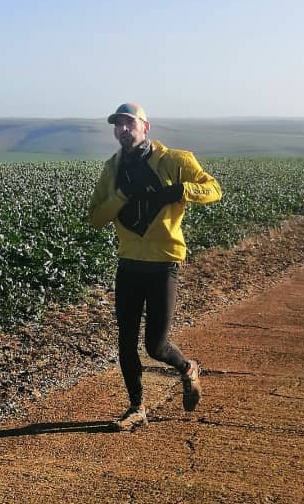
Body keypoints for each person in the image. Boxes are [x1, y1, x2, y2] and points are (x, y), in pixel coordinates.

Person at [88, 102, 223, 430]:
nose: (123, 129)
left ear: (145, 127)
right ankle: (137, 407)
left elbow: (214, 189)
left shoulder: (175, 161)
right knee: (125, 342)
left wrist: (181, 191)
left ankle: (188, 368)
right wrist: (120, 195)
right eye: (117, 125)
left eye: (129, 123)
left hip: (163, 264)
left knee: (156, 345)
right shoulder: (112, 168)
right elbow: (95, 219)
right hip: (129, 264)